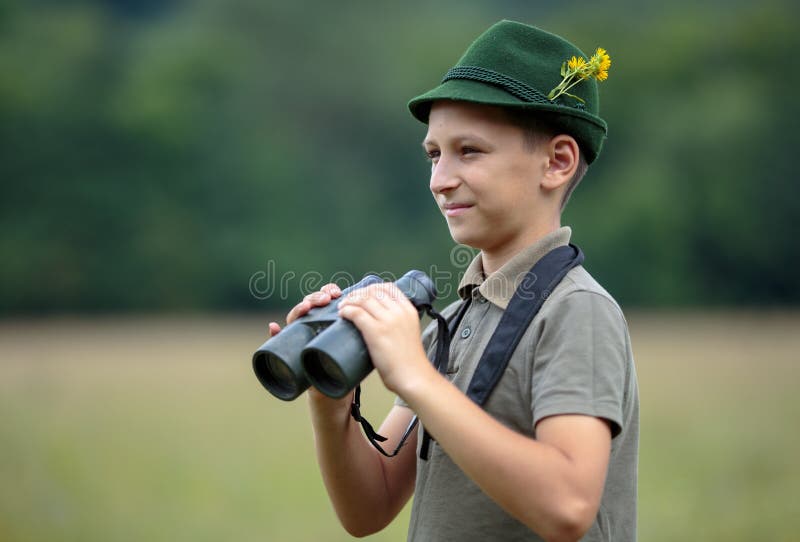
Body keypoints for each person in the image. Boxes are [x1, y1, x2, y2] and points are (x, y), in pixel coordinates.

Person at [268, 20, 638, 542]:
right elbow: (368, 507)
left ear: (556, 162)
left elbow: (569, 504)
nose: (439, 180)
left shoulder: (575, 310)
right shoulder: (459, 318)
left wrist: (414, 376)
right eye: (434, 154)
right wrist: (332, 398)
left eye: (470, 151)